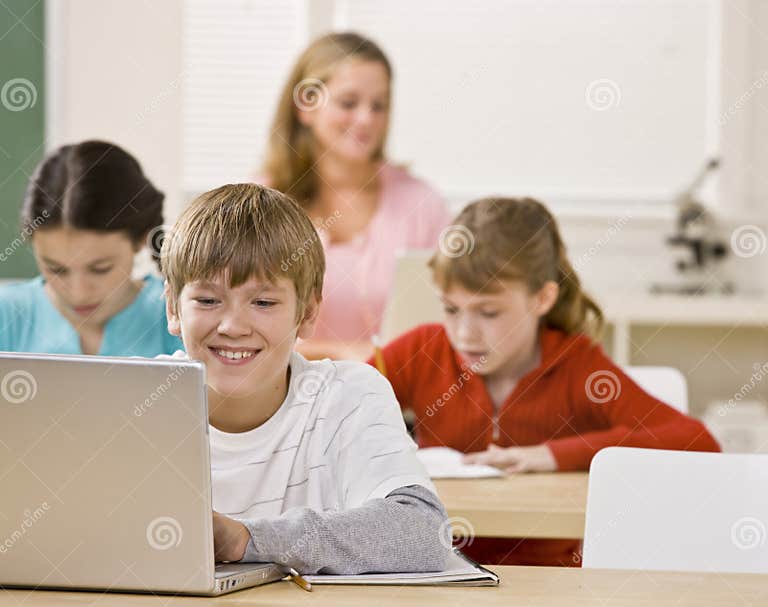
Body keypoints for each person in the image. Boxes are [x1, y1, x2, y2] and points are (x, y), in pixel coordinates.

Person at [370, 196, 720, 566]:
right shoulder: (423, 351)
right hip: (437, 570)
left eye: (488, 312)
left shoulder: (579, 367)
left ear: (542, 298)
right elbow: (334, 406)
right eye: (451, 309)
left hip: (553, 575)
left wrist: (551, 455)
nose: (464, 333)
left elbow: (698, 442)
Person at [161, 183, 448, 573]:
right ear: (173, 308)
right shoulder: (136, 400)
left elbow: (423, 533)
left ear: (308, 313)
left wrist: (248, 539)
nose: (232, 326)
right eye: (208, 300)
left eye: (263, 302)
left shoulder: (348, 396)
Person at [261, 31, 450, 359]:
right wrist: (348, 356)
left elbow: (448, 328)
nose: (366, 119)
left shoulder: (422, 205)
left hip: (397, 390)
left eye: (379, 106)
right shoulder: (260, 206)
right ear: (306, 106)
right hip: (285, 389)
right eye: (348, 103)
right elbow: (247, 330)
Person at [0, 140, 183, 356]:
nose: (78, 294)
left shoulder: (182, 315)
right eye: (56, 269)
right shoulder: (7, 315)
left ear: (141, 239)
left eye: (100, 269)